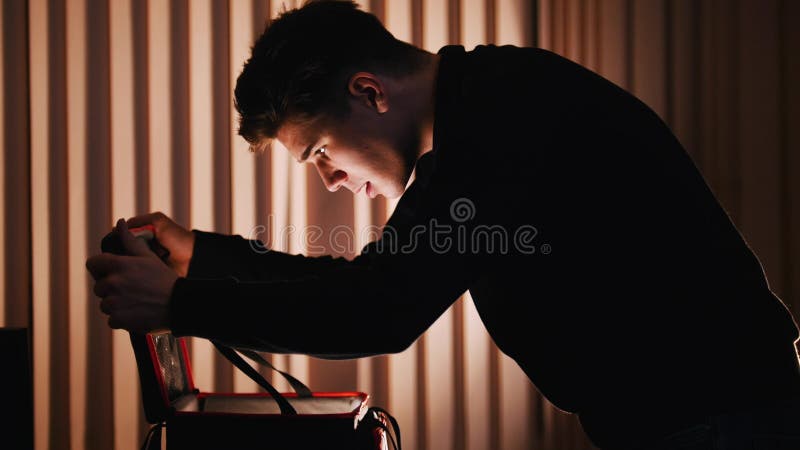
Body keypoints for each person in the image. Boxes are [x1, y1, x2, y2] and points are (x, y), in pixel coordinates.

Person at [86, 1, 800, 449]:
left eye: (321, 153)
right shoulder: (482, 113)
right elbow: (376, 283)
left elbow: (380, 310)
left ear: (369, 92)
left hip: (722, 426)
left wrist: (180, 304)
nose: (331, 178)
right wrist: (205, 259)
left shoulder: (499, 119)